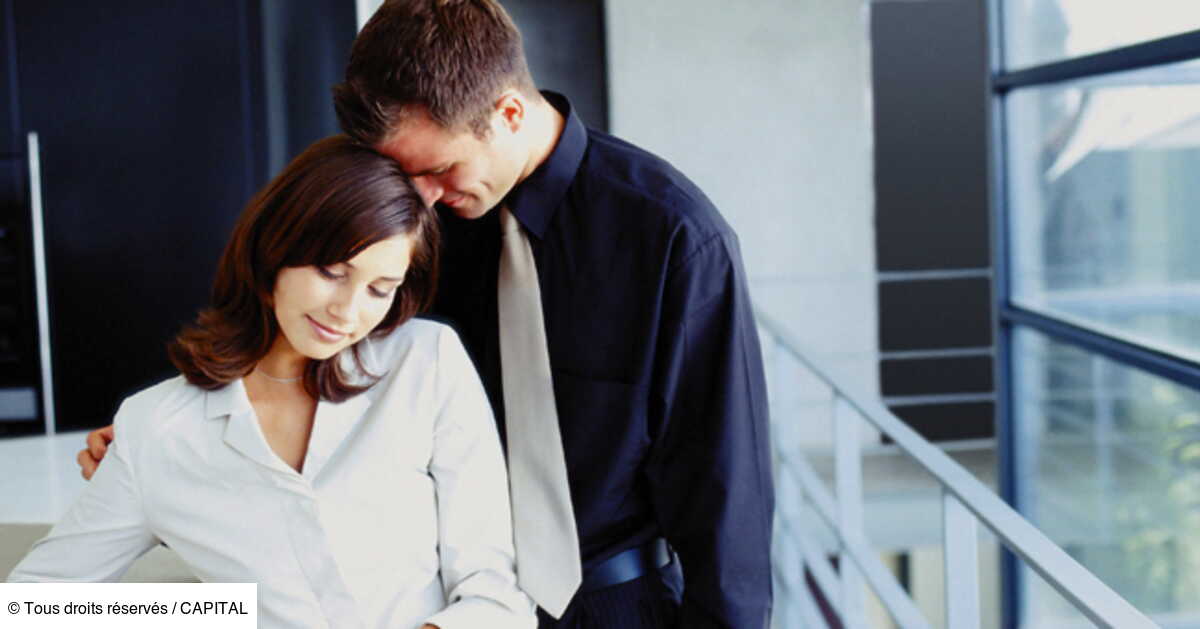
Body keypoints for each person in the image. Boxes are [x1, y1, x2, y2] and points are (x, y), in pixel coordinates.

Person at [82, 1, 775, 627]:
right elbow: (316, 357)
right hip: (440, 606)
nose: (423, 199)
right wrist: (171, 449)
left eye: (439, 169)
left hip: (613, 605)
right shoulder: (409, 225)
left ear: (508, 114)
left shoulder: (673, 237)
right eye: (402, 172)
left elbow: (725, 498)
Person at [20, 135, 536, 629]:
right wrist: (211, 614)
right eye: (332, 272)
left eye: (380, 289)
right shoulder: (158, 429)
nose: (347, 311)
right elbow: (36, 602)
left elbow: (495, 591)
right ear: (274, 252)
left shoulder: (426, 362)